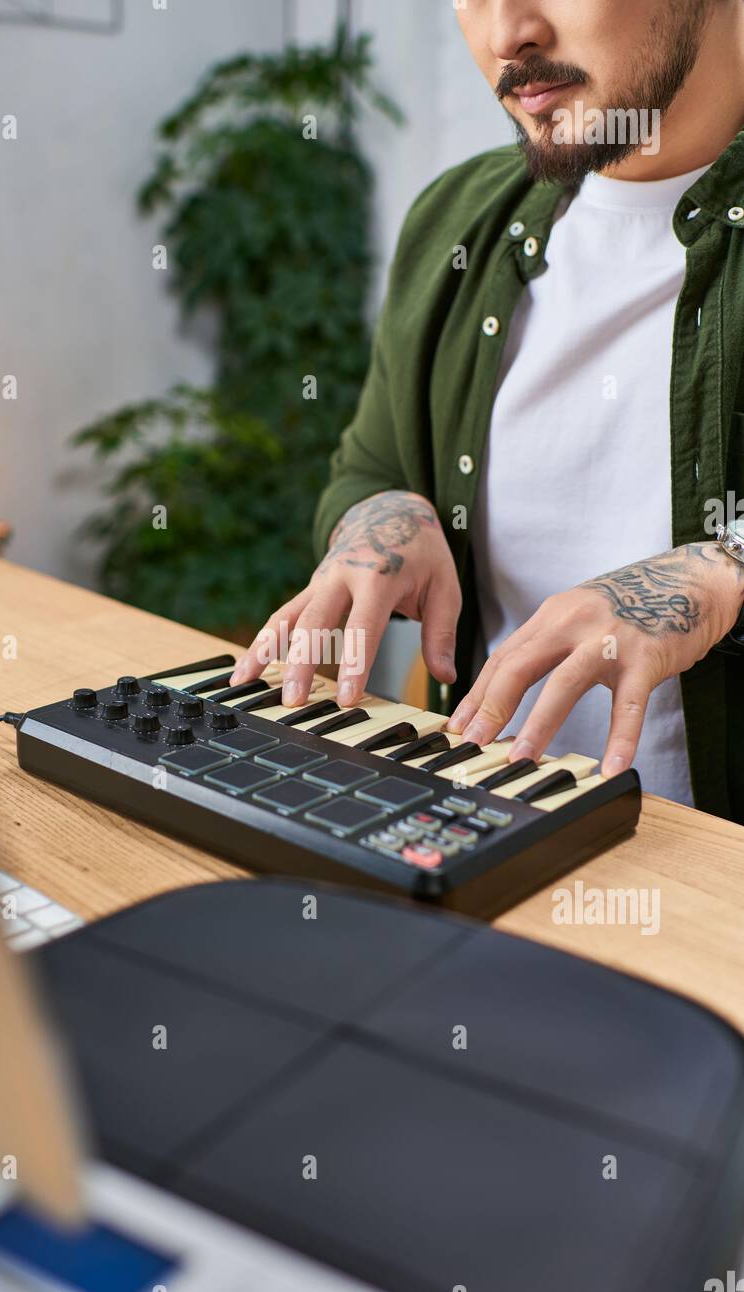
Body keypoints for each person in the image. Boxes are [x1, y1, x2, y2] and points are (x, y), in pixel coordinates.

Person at [232, 0, 744, 819]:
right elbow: (372, 464)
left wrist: (722, 574)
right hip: (479, 833)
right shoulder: (456, 218)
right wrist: (388, 513)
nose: (506, 35)